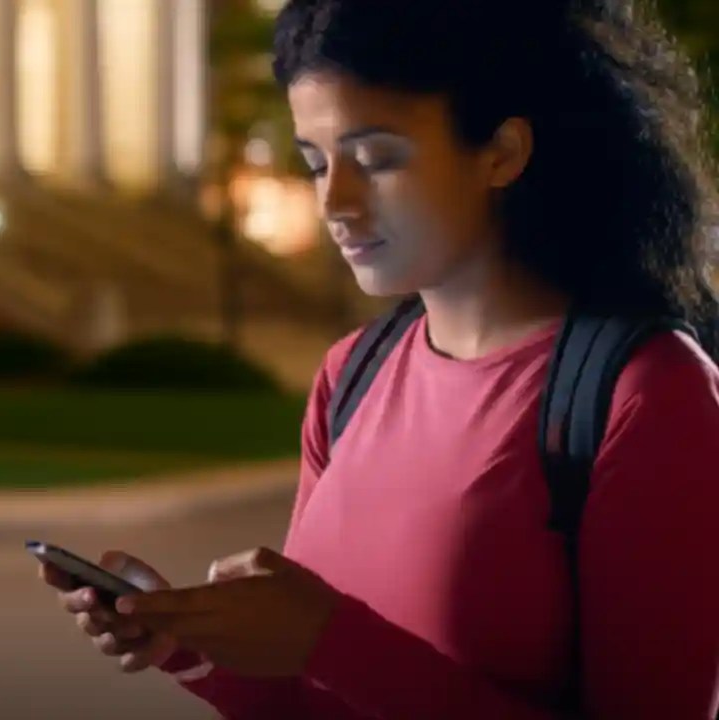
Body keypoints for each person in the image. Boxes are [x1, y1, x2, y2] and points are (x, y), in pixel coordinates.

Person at [39, 0, 719, 717]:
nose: (335, 199)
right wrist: (185, 642)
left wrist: (327, 638)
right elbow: (307, 699)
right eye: (314, 162)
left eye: (376, 159)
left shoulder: (646, 394)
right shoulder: (352, 373)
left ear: (502, 152)